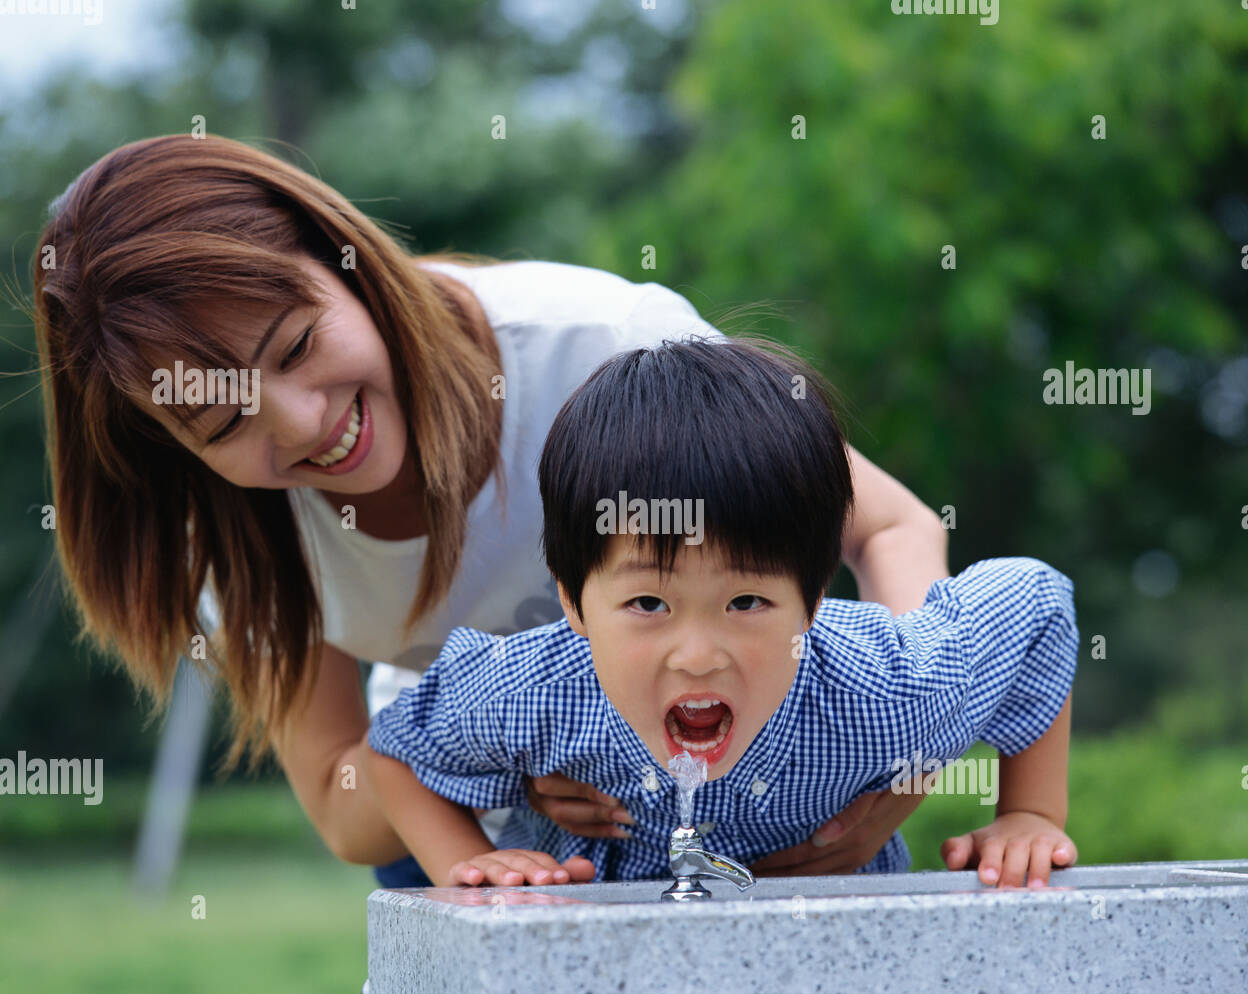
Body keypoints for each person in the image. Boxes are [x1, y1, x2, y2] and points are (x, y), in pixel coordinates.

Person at [34, 134, 950, 888]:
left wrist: (903, 761)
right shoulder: (228, 536)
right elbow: (339, 793)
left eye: (300, 345)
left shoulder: (598, 347)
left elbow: (892, 525)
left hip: (752, 781)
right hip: (477, 836)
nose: (305, 423)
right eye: (226, 421)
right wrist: (510, 763)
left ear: (341, 257)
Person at [365, 338, 1079, 888]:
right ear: (573, 602)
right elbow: (398, 751)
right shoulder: (533, 690)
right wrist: (470, 864)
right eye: (648, 603)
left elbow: (1036, 605)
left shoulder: (887, 689)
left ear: (814, 600)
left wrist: (1030, 813)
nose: (699, 653)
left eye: (747, 602)